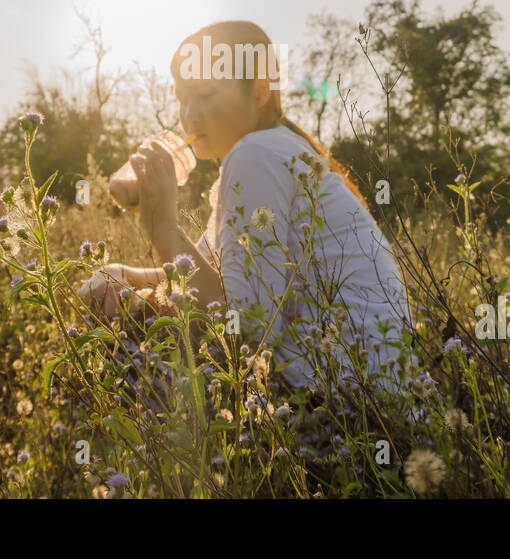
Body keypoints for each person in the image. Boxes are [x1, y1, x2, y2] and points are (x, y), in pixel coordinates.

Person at [78, 20, 413, 399]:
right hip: (372, 397)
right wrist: (125, 276)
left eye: (204, 94)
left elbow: (246, 323)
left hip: (341, 407)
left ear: (258, 91)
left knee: (133, 350)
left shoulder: (256, 154)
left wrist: (162, 226)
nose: (189, 113)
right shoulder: (265, 153)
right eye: (182, 98)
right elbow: (207, 273)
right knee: (134, 313)